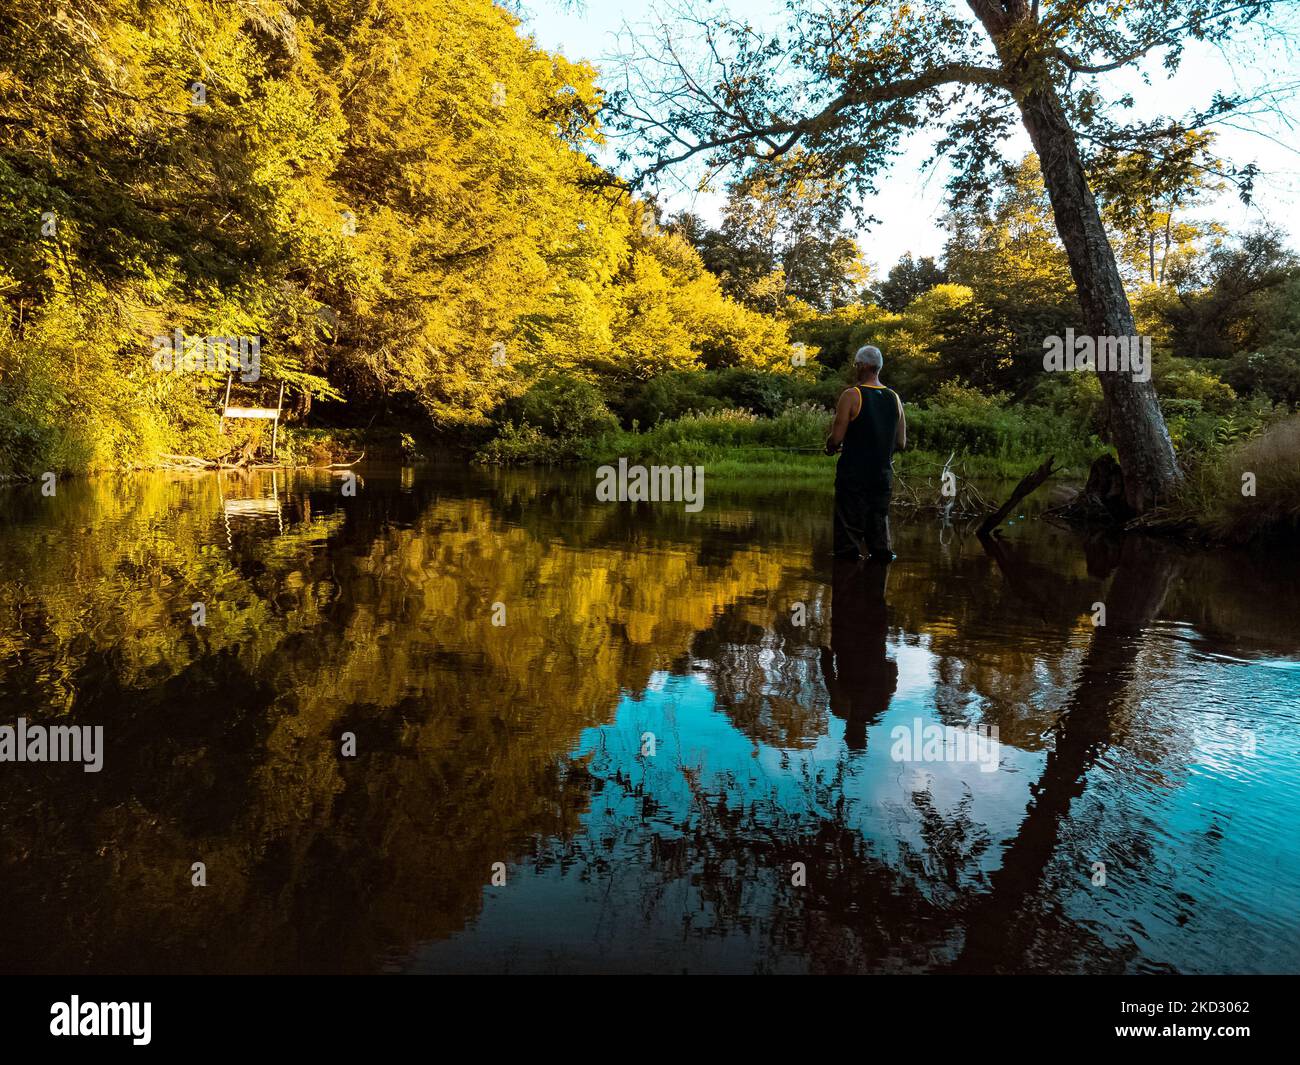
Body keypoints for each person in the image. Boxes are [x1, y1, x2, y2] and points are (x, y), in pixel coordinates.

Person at [825, 345, 906, 562]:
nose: (855, 368)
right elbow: (901, 442)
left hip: (853, 477)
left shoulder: (852, 395)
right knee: (879, 539)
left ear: (863, 366)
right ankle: (876, 588)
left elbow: (836, 439)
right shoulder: (894, 398)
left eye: (856, 364)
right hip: (882, 477)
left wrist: (830, 446)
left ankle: (847, 587)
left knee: (847, 541)